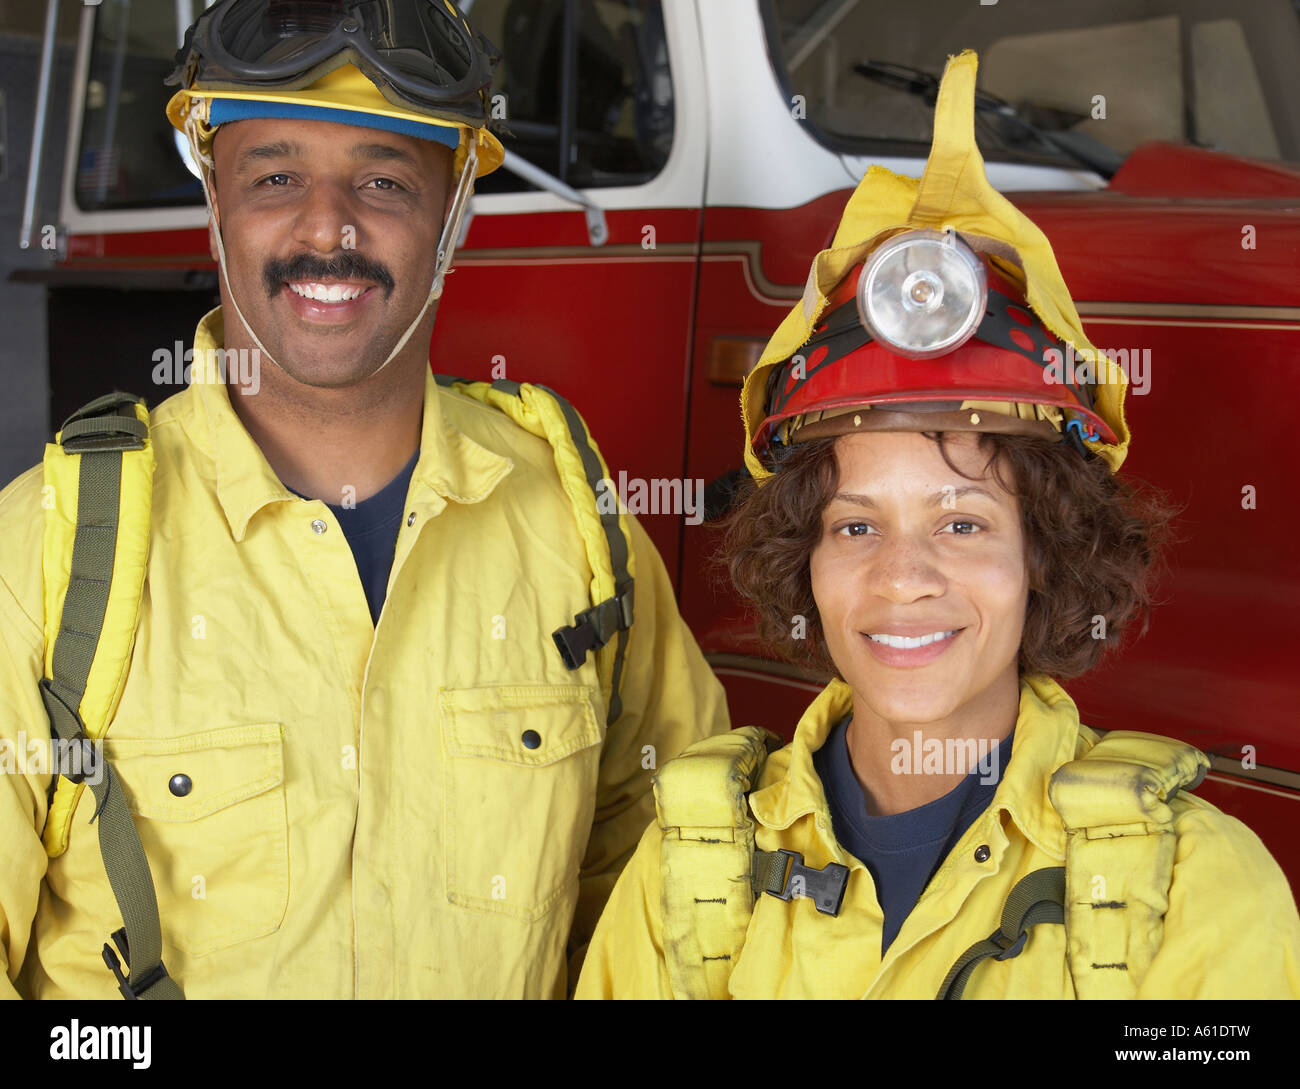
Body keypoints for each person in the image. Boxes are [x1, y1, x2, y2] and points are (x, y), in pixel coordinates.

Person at [0, 0, 727, 999]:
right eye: (275, 176)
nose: (326, 227)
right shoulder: (47, 552)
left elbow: (669, 901)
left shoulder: (575, 524)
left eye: (384, 180)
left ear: (453, 210)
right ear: (216, 202)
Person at [576, 51, 1300, 1000]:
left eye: (962, 524)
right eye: (854, 526)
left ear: (1048, 554)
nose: (902, 577)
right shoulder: (687, 867)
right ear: (804, 563)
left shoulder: (1198, 890)